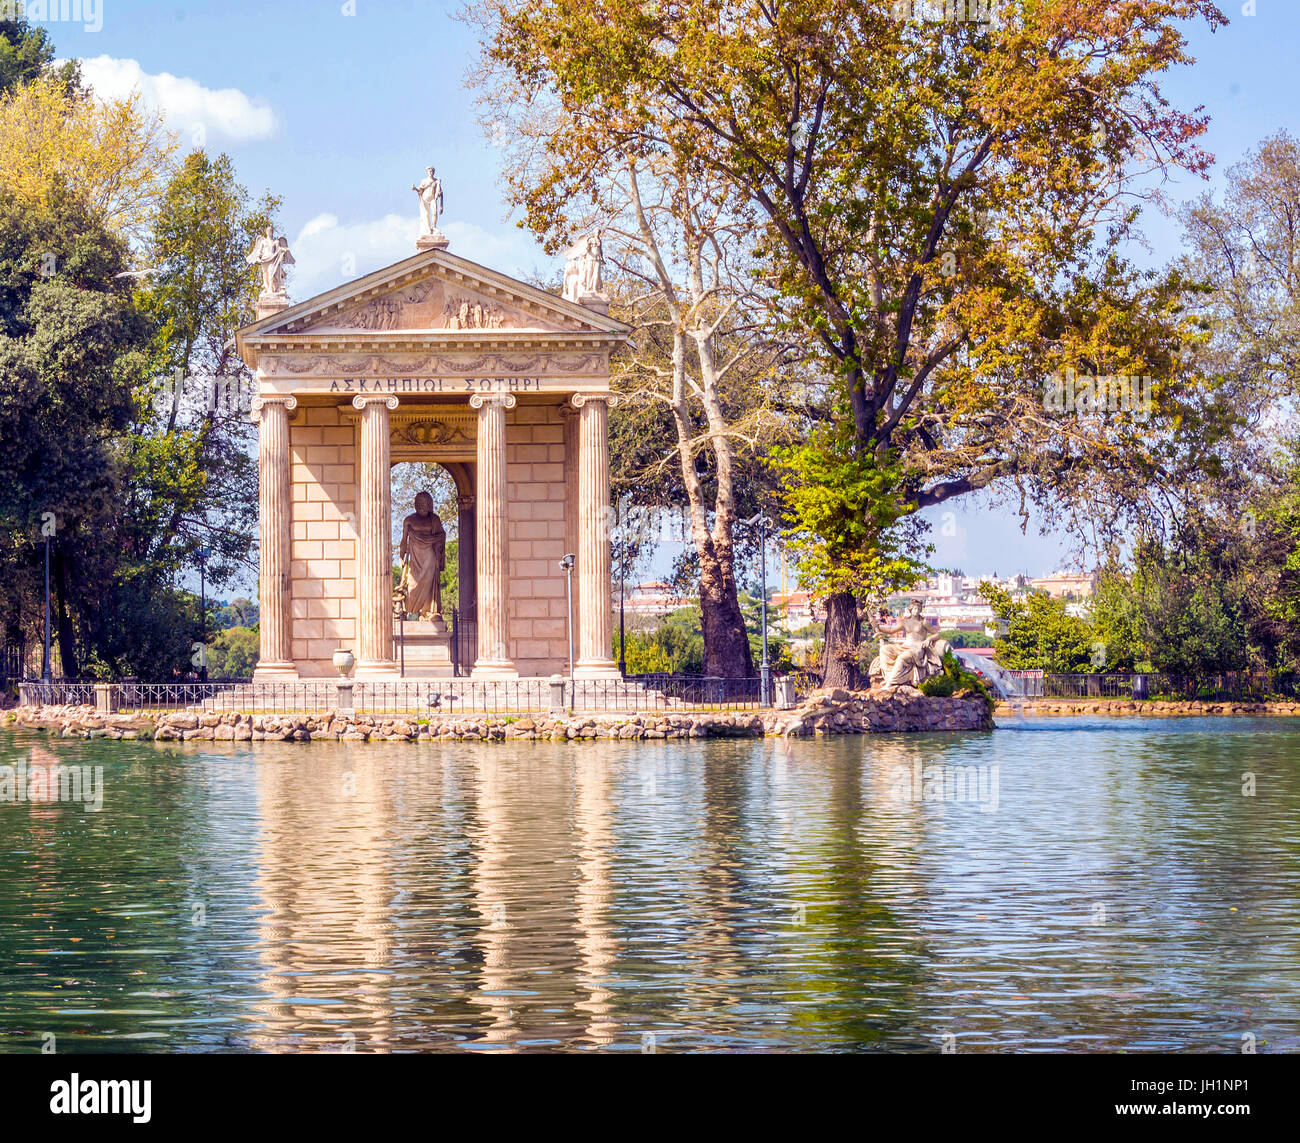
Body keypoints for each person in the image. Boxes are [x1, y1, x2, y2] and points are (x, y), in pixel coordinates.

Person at [870, 599, 950, 689]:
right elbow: (891, 630)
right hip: (904, 646)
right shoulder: (905, 622)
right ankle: (889, 676)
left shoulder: (923, 622)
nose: (917, 610)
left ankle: (891, 682)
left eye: (919, 609)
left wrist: (929, 639)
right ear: (911, 609)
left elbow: (937, 634)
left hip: (917, 648)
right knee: (884, 650)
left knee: (902, 658)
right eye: (915, 608)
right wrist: (878, 626)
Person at [398, 492, 446, 621]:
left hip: (430, 555)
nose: (422, 507)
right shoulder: (409, 520)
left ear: (429, 505)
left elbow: (441, 535)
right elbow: (403, 541)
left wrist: (437, 545)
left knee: (428, 583)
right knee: (412, 585)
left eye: (425, 504)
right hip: (415, 556)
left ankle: (427, 612)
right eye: (419, 504)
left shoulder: (434, 519)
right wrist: (401, 557)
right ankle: (409, 612)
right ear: (415, 505)